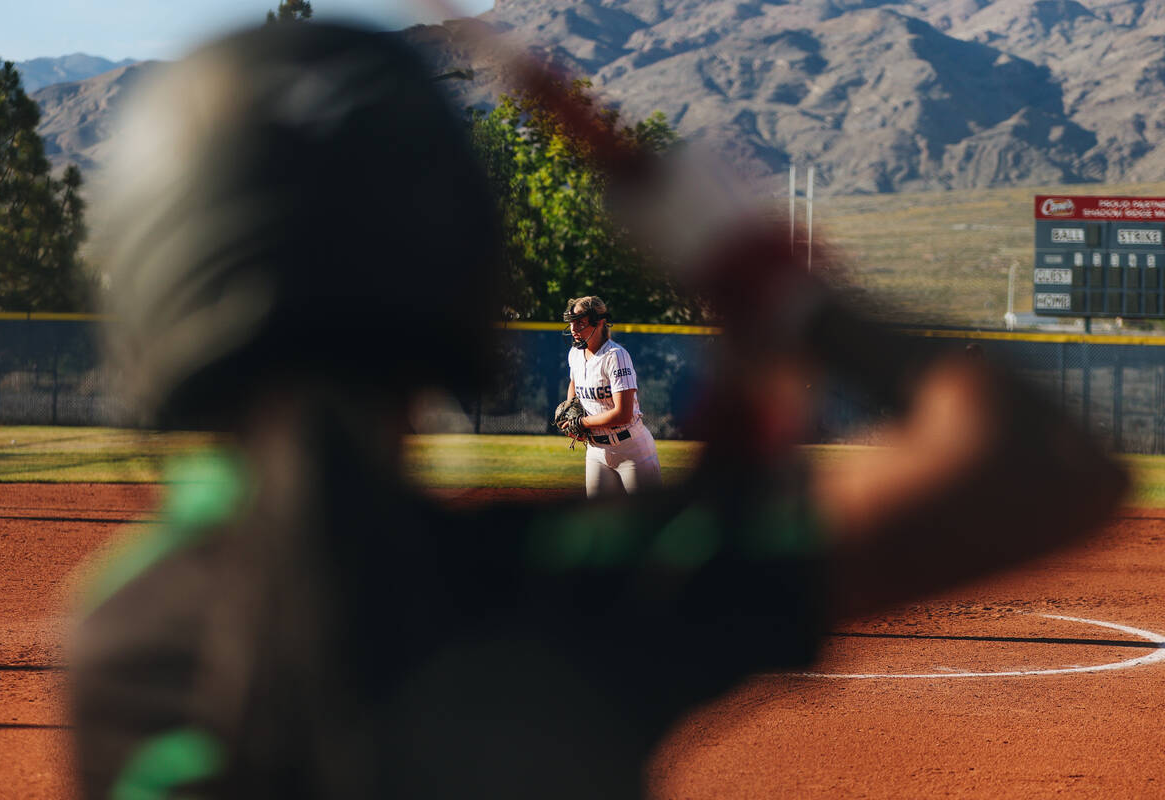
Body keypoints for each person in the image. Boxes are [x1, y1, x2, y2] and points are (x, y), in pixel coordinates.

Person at [68, 20, 1127, 800]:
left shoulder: (116, 644)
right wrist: (757, 273)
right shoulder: (570, 589)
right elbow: (1042, 463)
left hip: (621, 447)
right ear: (461, 279)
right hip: (619, 482)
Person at [561, 295, 662, 497]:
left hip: (631, 451)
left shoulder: (615, 356)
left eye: (580, 322)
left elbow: (623, 414)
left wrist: (582, 423)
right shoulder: (575, 353)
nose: (573, 328)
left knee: (647, 519)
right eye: (572, 322)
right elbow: (574, 382)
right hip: (596, 451)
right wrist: (571, 408)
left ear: (599, 322)